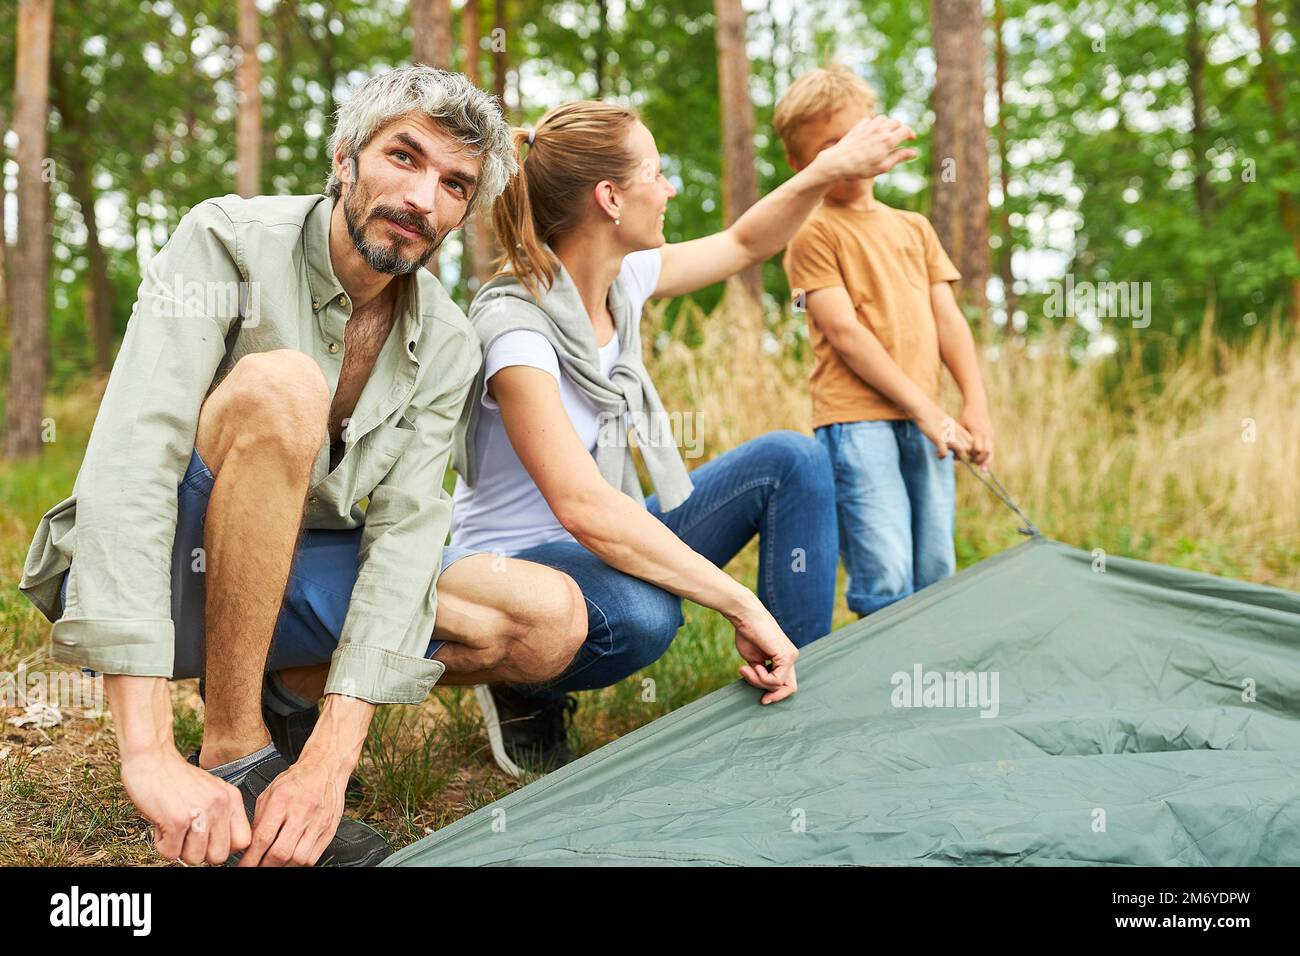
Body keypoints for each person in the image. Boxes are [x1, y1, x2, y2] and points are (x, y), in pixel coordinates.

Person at [18, 66, 588, 867]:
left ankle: (292, 699)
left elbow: (405, 538)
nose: (424, 199)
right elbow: (132, 466)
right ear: (346, 156)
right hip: (176, 573)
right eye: (404, 157)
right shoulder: (225, 239)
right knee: (286, 385)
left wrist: (331, 761)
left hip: (296, 578)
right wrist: (146, 752)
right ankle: (234, 747)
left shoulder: (451, 341)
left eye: (455, 184)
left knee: (548, 618)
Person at [451, 99, 920, 775]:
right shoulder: (517, 331)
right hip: (521, 567)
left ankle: (798, 691)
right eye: (656, 172)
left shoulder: (622, 280)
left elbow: (746, 243)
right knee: (645, 617)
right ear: (610, 197)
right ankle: (525, 683)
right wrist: (740, 603)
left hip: (605, 529)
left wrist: (825, 171)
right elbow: (580, 506)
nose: (668, 189)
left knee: (788, 459)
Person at [776, 65, 996, 616]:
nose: (850, 152)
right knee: (887, 570)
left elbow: (949, 320)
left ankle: (931, 681)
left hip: (928, 421)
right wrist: (924, 409)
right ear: (801, 163)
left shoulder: (915, 227)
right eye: (831, 145)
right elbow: (845, 333)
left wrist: (975, 405)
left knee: (936, 569)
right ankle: (888, 690)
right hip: (857, 423)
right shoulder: (811, 231)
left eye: (858, 134)